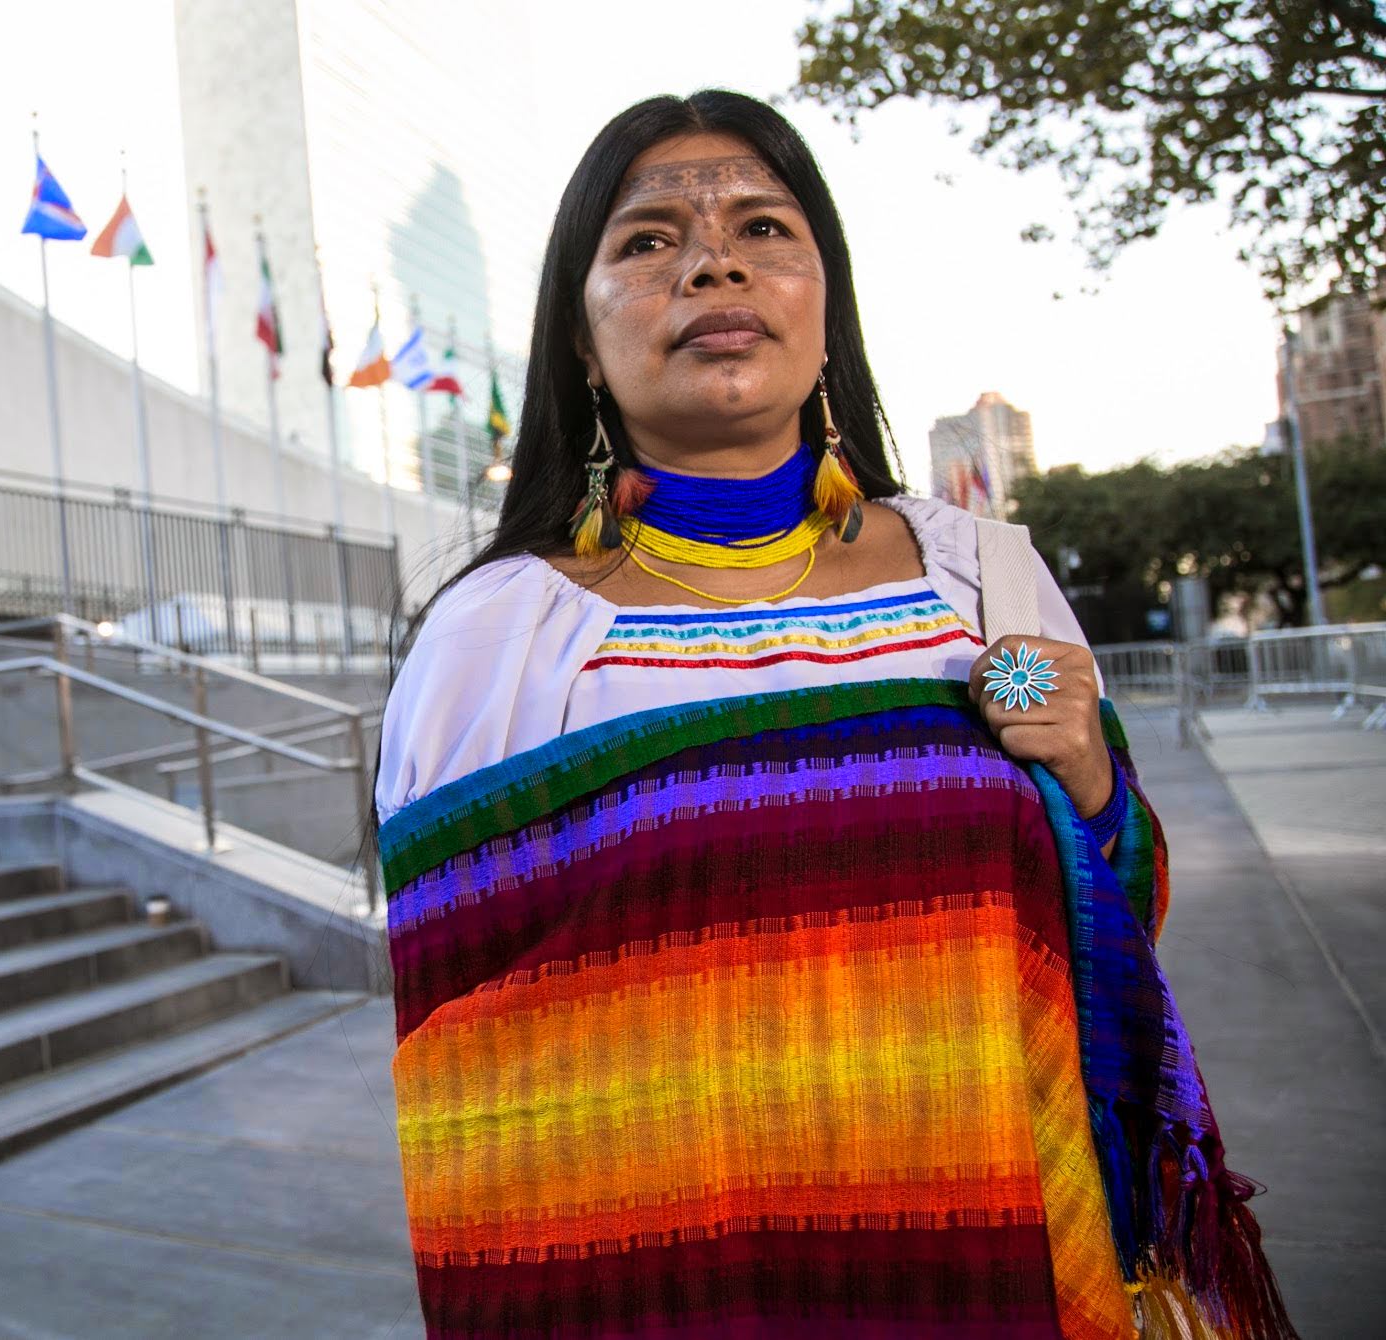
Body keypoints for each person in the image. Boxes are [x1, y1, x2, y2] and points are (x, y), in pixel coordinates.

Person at [374, 91, 1295, 1339]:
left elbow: (1113, 922)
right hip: (671, 1289)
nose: (710, 256)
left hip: (991, 1263)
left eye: (762, 225)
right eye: (646, 241)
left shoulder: (979, 578)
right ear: (582, 344)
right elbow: (462, 1047)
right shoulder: (503, 638)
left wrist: (1086, 775)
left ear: (823, 310)